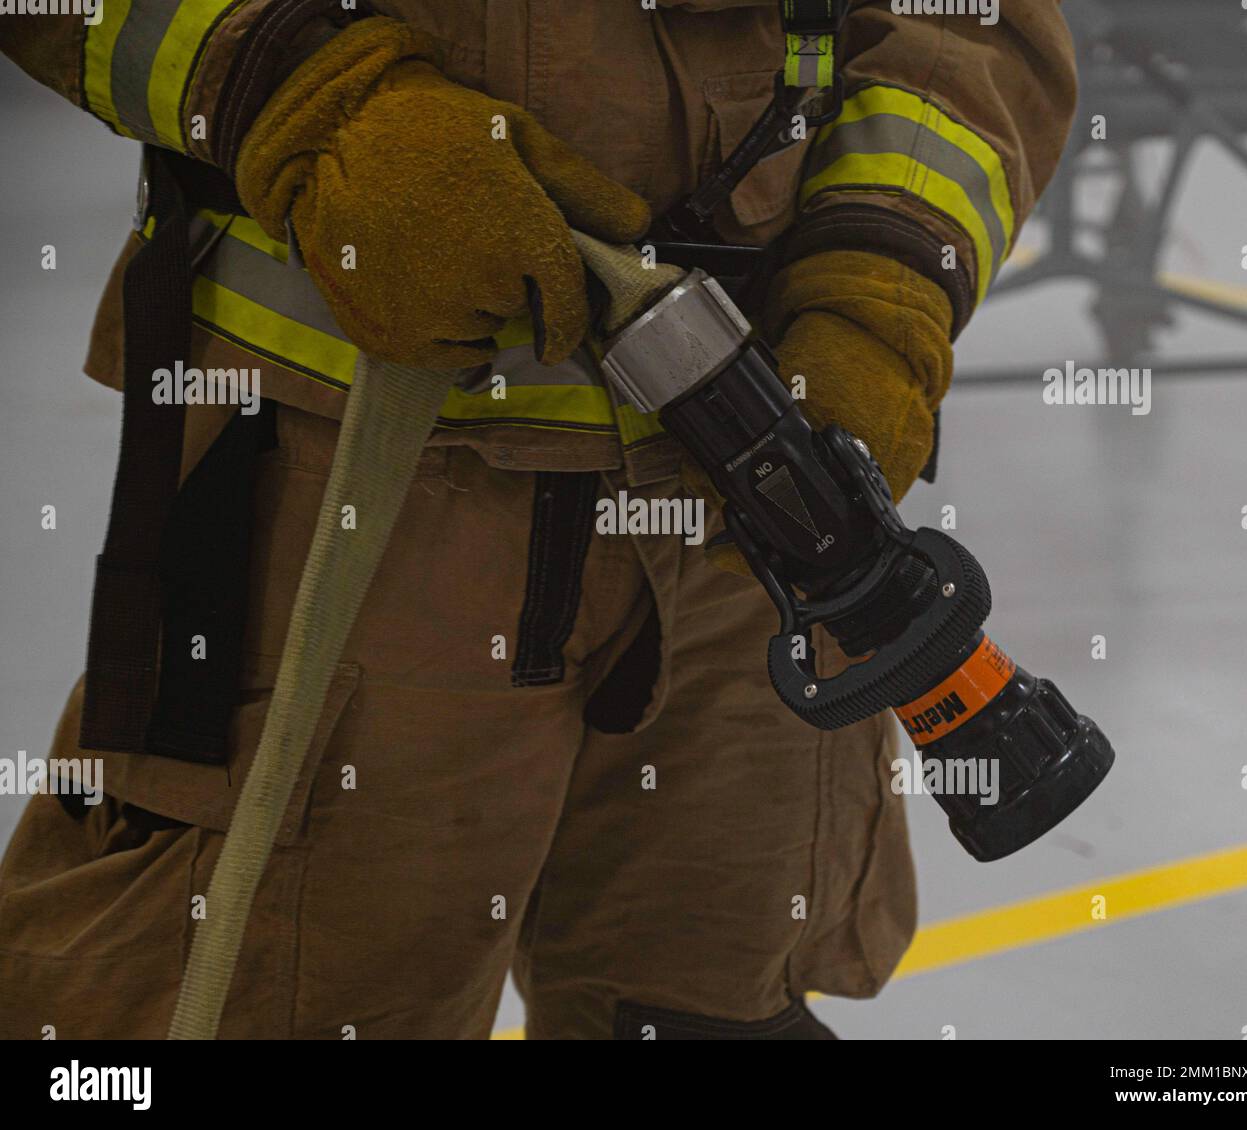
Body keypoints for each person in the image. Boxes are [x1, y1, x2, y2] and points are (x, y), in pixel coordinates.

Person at [0, 1, 1076, 1039]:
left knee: (713, 1003)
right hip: (345, 505)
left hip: (751, 534)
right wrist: (302, 96)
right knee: (264, 989)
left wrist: (881, 285)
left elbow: (969, 25)